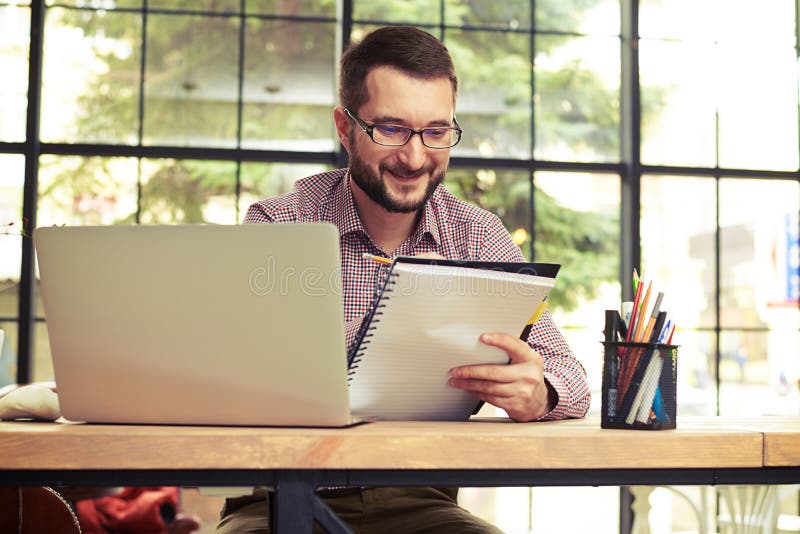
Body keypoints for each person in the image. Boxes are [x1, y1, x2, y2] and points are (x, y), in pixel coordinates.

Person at [218, 25, 590, 533]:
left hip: (421, 502)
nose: (415, 158)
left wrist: (539, 392)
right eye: (390, 129)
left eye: (436, 132)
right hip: (279, 497)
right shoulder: (279, 226)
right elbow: (224, 377)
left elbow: (570, 376)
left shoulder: (478, 237)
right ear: (344, 128)